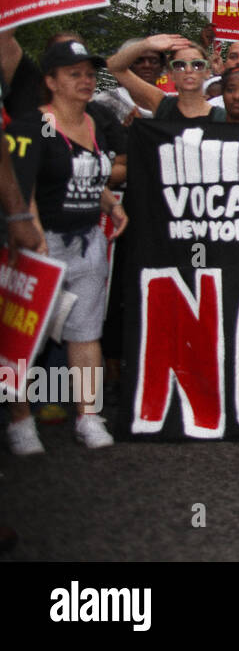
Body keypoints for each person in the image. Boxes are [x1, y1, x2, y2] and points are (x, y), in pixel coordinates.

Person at [6, 41, 127, 454]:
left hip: (88, 241)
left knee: (85, 333)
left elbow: (90, 176)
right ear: (51, 81)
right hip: (42, 245)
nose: (85, 80)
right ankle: (20, 421)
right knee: (24, 338)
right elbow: (24, 189)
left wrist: (110, 205)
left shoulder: (94, 119)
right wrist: (35, 243)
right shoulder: (33, 124)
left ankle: (88, 417)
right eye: (73, 73)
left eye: (89, 73)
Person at [107, 35, 226, 122]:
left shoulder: (221, 116)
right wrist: (146, 44)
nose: (189, 70)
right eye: (179, 65)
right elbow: (114, 66)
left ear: (207, 72)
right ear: (171, 74)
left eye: (197, 65)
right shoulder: (162, 104)